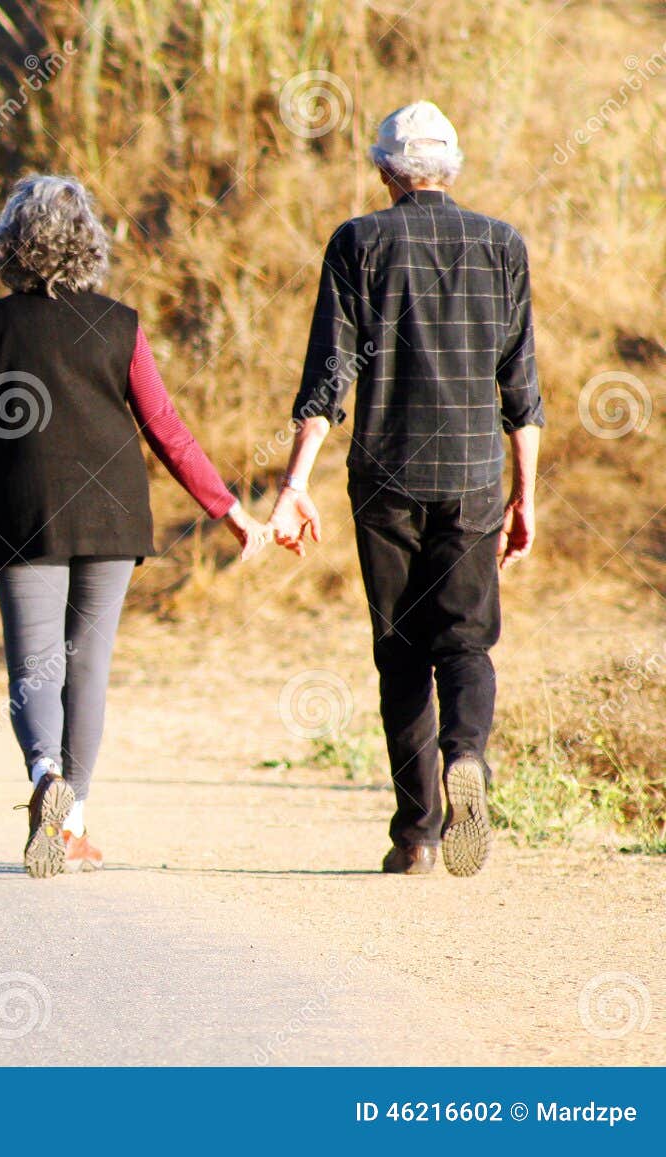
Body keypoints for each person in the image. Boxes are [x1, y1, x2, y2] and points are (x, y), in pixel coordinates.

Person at [0, 174, 270, 878]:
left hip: (20, 507)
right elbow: (166, 429)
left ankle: (42, 777)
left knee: (34, 666)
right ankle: (74, 822)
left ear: (10, 247)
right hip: (113, 512)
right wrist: (231, 510)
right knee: (86, 664)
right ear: (91, 244)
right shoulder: (120, 323)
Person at [268, 101, 543, 877]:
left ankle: (417, 834)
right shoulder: (502, 245)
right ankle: (468, 758)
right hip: (473, 477)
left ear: (385, 171)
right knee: (467, 643)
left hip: (385, 476)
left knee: (400, 652)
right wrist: (527, 497)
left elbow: (329, 378)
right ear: (451, 168)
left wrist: (294, 484)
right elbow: (520, 388)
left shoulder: (359, 242)